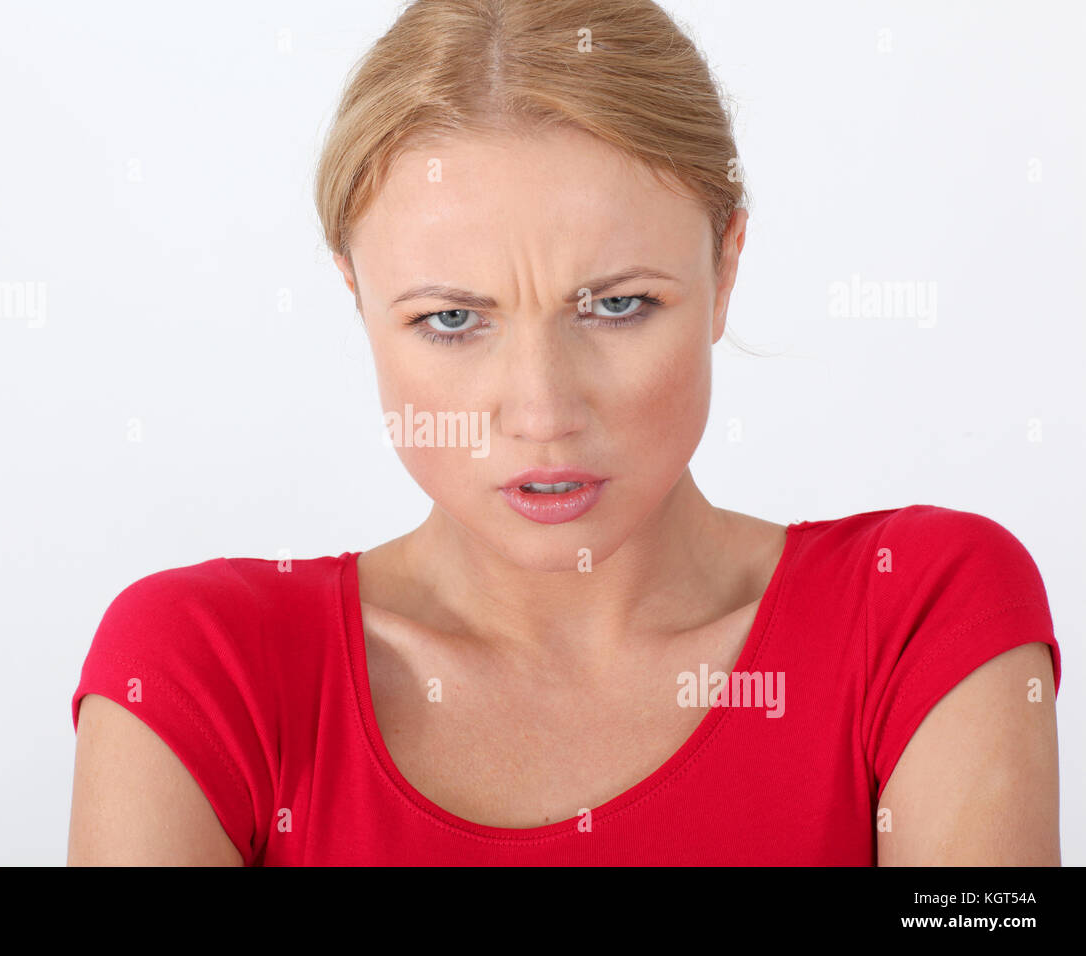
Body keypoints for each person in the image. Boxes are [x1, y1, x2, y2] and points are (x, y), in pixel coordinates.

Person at [67, 0, 1061, 865]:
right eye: (452, 319)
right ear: (355, 296)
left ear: (725, 269)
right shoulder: (203, 673)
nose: (540, 411)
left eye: (618, 305)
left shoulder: (919, 616)